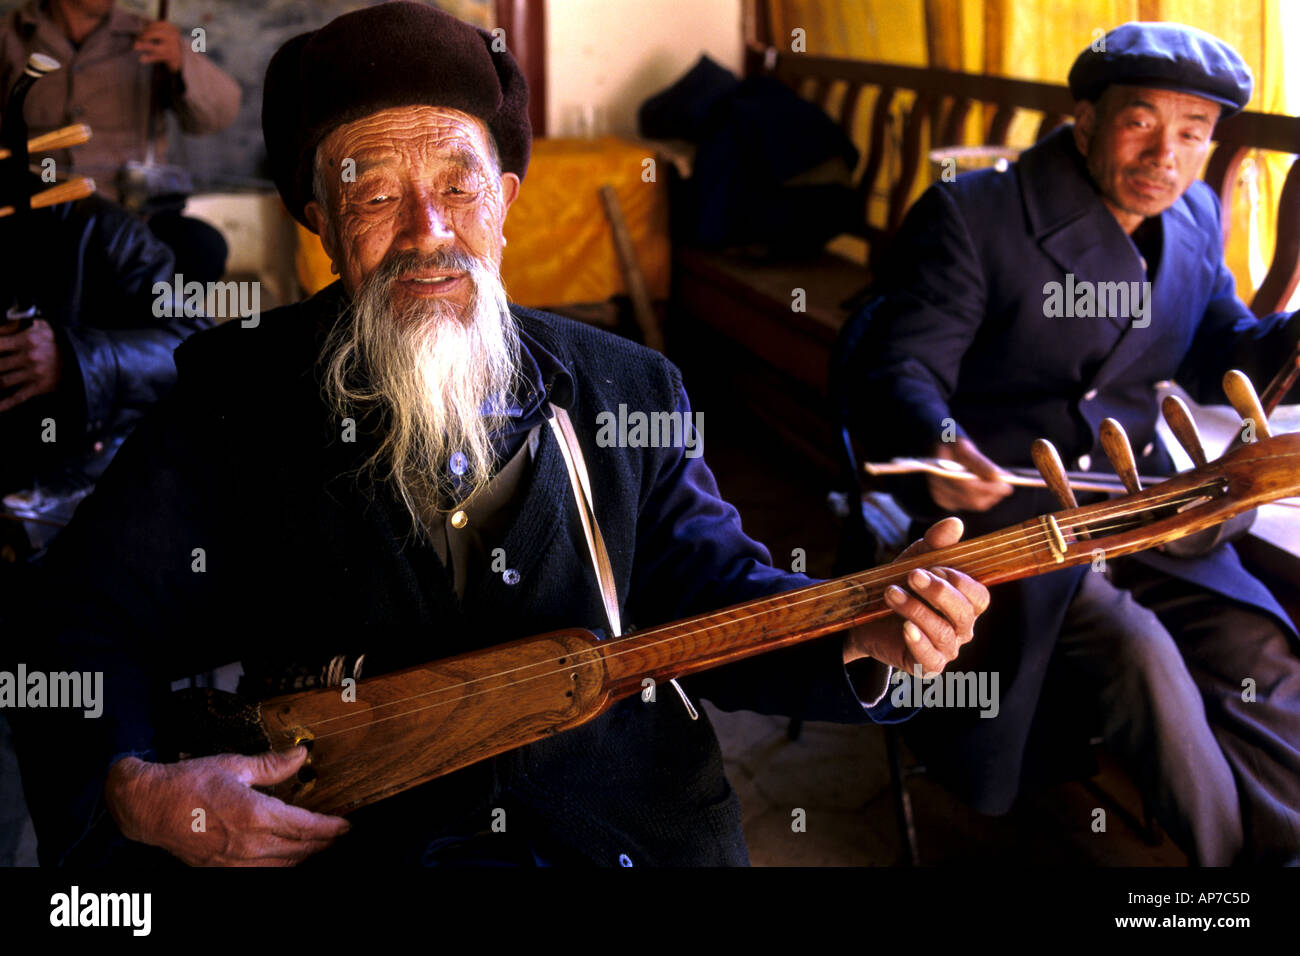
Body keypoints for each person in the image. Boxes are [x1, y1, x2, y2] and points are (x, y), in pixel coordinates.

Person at [18, 2, 989, 868]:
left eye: (457, 183)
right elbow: (82, 615)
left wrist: (859, 630)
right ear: (319, 220)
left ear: (507, 202)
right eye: (373, 195)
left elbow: (712, 592)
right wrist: (134, 786)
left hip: (625, 830)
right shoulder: (236, 394)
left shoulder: (626, 384)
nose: (426, 229)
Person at [842, 21, 1300, 865]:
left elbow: (1217, 344)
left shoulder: (1195, 217)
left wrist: (1288, 343)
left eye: (1194, 133)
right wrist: (943, 449)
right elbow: (899, 366)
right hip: (1012, 516)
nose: (1168, 154)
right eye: (1140, 122)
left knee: (1258, 647)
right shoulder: (977, 215)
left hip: (1139, 506)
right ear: (1084, 120)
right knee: (1143, 661)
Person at [0, 0, 242, 281]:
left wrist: (182, 61)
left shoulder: (151, 36)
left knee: (201, 247)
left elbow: (218, 115)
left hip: (136, 215)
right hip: (41, 217)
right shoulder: (10, 37)